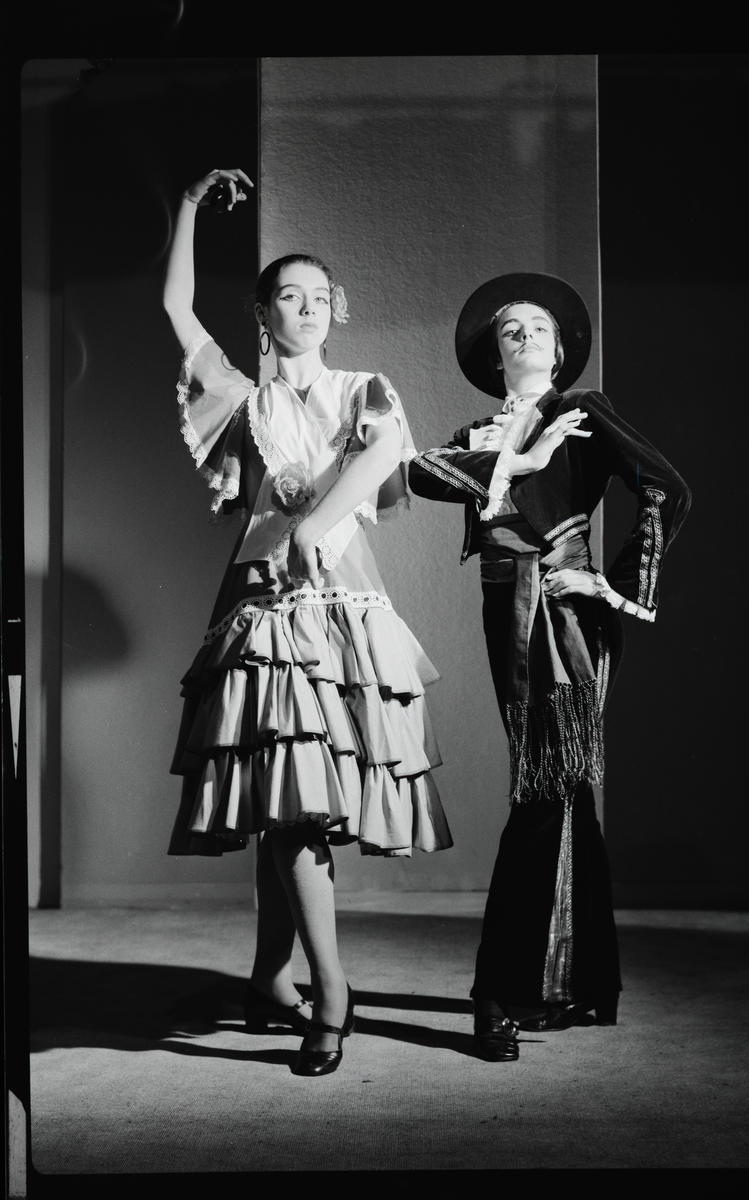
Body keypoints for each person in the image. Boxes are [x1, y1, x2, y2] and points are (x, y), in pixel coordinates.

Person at [163, 167, 451, 1077]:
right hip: (256, 609)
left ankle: (295, 985)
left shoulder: (365, 387)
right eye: (289, 297)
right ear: (264, 314)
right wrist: (186, 209)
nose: (308, 309)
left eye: (320, 297)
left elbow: (384, 458)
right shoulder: (242, 402)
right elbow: (176, 307)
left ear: (340, 308)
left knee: (294, 808)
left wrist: (317, 530)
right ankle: (308, 988)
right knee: (280, 804)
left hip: (338, 609)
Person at [408, 272, 690, 1062]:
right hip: (510, 614)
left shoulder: (585, 413)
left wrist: (612, 584)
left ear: (561, 350)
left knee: (546, 791)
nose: (525, 333)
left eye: (537, 326)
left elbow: (669, 490)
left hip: (567, 619)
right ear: (496, 358)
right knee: (562, 791)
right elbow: (419, 473)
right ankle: (578, 984)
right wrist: (522, 457)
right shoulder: (483, 432)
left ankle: (495, 993)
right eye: (510, 329)